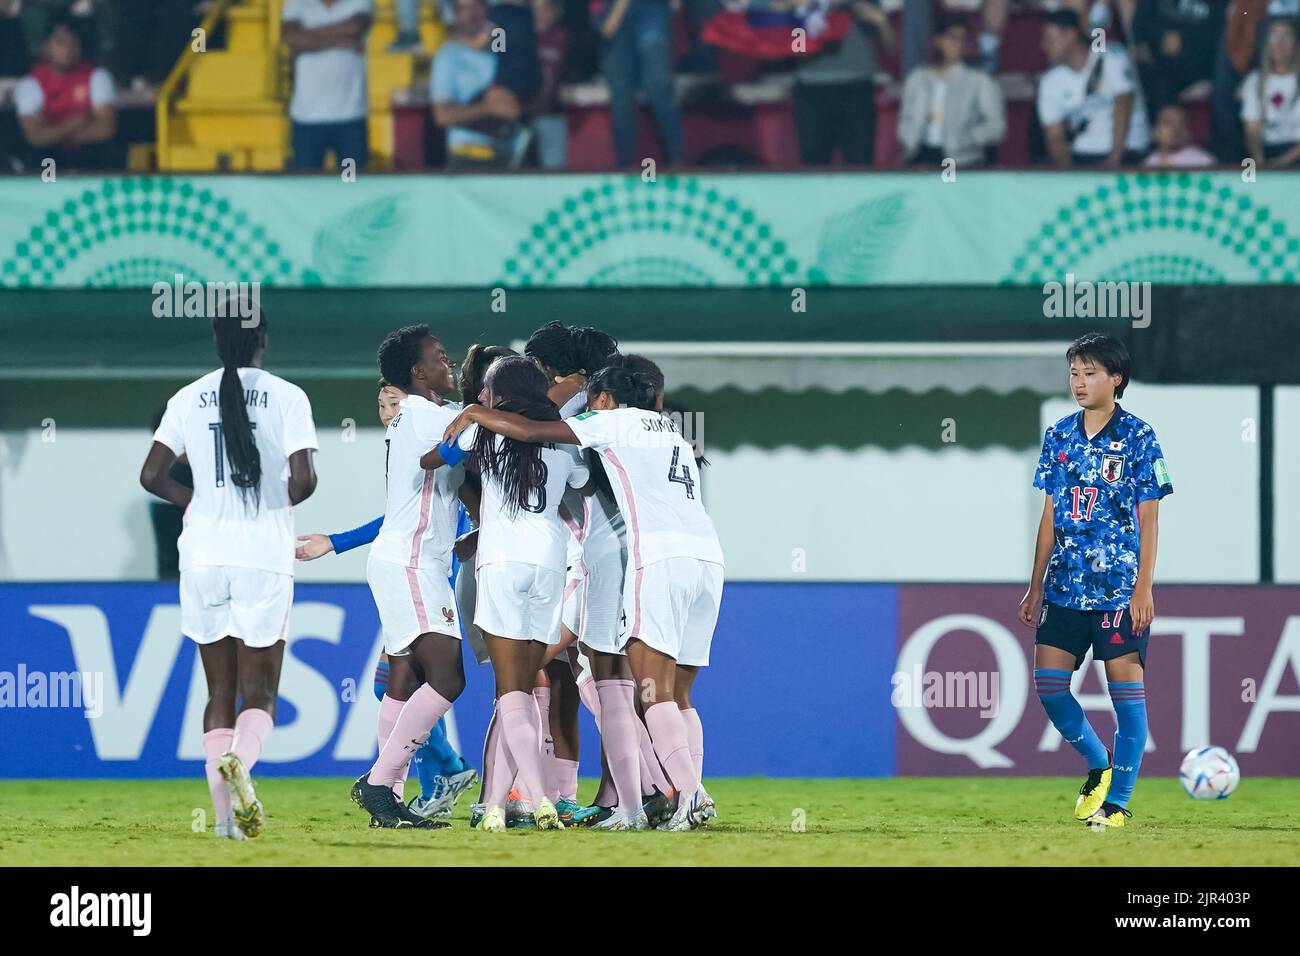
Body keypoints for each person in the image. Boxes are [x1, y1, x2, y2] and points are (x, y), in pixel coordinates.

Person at [440, 364, 725, 831]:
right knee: (681, 694)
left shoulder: (616, 420)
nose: (590, 409)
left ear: (608, 398)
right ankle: (678, 797)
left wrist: (474, 411)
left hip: (659, 561)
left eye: (594, 399)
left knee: (652, 692)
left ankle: (690, 794)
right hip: (708, 560)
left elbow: (532, 428)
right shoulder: (674, 431)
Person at [139, 305, 319, 841]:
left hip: (202, 556)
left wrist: (196, 501)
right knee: (258, 693)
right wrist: (268, 503)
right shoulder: (288, 396)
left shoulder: (186, 397)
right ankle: (241, 759)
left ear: (217, 340)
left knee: (217, 692)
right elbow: (305, 481)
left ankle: (223, 822)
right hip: (262, 554)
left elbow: (151, 474)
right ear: (263, 337)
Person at [424, 355, 595, 832]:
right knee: (523, 686)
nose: (482, 396)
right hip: (549, 566)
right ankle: (495, 806)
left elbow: (435, 458)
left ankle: (540, 796)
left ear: (500, 394)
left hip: (500, 564)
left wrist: (469, 418)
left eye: (488, 390)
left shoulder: (484, 432)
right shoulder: (562, 440)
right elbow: (581, 485)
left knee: (510, 691)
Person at [295, 379, 476, 821]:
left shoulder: (446, 428)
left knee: (425, 681)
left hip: (442, 580)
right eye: (381, 404)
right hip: (418, 579)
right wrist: (334, 542)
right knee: (397, 683)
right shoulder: (411, 447)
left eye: (394, 401)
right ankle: (417, 781)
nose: (389, 411)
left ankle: (422, 779)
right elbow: (397, 519)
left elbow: (461, 514)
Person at [1017, 333, 1173, 829]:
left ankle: (1118, 804)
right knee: (1048, 686)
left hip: (1117, 591)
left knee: (1126, 695)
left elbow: (1149, 518)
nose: (1079, 383)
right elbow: (1049, 517)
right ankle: (1099, 762)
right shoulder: (1059, 435)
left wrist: (1143, 587)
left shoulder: (1140, 437)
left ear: (1116, 378)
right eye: (1074, 373)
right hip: (1063, 586)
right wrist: (1035, 583)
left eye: (1090, 373)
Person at [350, 326, 470, 829]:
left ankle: (389, 801)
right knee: (448, 678)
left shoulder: (416, 416)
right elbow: (448, 453)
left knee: (403, 681)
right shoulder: (426, 414)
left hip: (405, 560)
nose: (451, 364)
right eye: (442, 357)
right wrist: (481, 414)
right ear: (419, 372)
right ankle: (380, 783)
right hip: (412, 564)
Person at [1037, 8, 1151, 167]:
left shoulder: (1112, 57)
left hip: (1128, 153)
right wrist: (1067, 173)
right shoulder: (1049, 81)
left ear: (1070, 35)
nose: (1044, 46)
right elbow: (1054, 136)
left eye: (1050, 39)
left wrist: (1114, 159)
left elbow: (1123, 103)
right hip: (1083, 156)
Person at [896, 13, 1006, 167]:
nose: (959, 44)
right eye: (953, 38)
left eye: (963, 39)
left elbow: (996, 127)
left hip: (960, 158)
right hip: (920, 155)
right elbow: (905, 119)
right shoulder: (918, 78)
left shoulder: (979, 80)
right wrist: (910, 137)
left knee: (949, 187)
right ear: (939, 40)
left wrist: (966, 137)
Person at [792, 0, 893, 167]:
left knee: (860, 161)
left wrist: (880, 20)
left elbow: (889, 46)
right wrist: (806, 12)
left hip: (857, 87)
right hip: (811, 87)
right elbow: (794, 48)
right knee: (813, 164)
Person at [430, 0, 529, 168]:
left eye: (476, 6)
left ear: (487, 9)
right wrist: (488, 107)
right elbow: (442, 115)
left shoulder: (502, 50)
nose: (471, 14)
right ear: (456, 15)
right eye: (464, 8)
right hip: (467, 154)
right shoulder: (448, 55)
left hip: (510, 153)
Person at [14, 18, 119, 171]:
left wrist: (54, 134)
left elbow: (105, 129)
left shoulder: (97, 76)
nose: (67, 49)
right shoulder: (30, 84)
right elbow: (36, 137)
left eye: (73, 43)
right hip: (50, 156)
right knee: (42, 161)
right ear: (47, 47)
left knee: (110, 153)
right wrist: (78, 122)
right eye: (60, 43)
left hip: (89, 153)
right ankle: (47, 191)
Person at [282, 0, 373, 171]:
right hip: (307, 119)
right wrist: (342, 42)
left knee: (350, 181)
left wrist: (306, 38)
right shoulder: (297, 3)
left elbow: (355, 29)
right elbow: (289, 37)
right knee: (307, 186)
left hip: (350, 118)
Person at [593, 0, 685, 167]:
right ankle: (626, 166)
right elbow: (607, 29)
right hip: (614, 13)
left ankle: (677, 161)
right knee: (622, 99)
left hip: (651, 8)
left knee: (659, 87)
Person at [1242, 16, 1300, 166]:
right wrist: (1259, 158)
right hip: (1268, 152)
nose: (1280, 42)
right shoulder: (1254, 81)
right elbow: (1252, 129)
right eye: (1274, 36)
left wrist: (1284, 162)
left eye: (1286, 36)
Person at [1143, 103, 1215, 166]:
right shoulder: (1148, 163)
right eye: (1168, 123)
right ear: (1156, 130)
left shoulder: (1202, 162)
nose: (1175, 129)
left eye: (1181, 124)